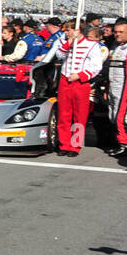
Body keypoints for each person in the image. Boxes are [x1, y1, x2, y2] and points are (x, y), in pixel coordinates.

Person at [44, 20, 107, 157]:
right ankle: (64, 144)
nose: (65, 32)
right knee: (64, 115)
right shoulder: (65, 42)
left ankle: (75, 145)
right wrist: (70, 41)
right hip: (64, 81)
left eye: (68, 30)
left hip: (80, 83)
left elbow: (96, 66)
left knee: (80, 116)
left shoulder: (91, 45)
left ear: (76, 29)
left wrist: (80, 75)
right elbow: (60, 55)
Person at [104, 18, 127, 157]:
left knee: (121, 117)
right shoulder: (115, 47)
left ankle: (124, 144)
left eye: (121, 32)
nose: (117, 34)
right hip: (113, 87)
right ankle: (119, 142)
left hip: (124, 88)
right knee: (112, 115)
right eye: (116, 32)